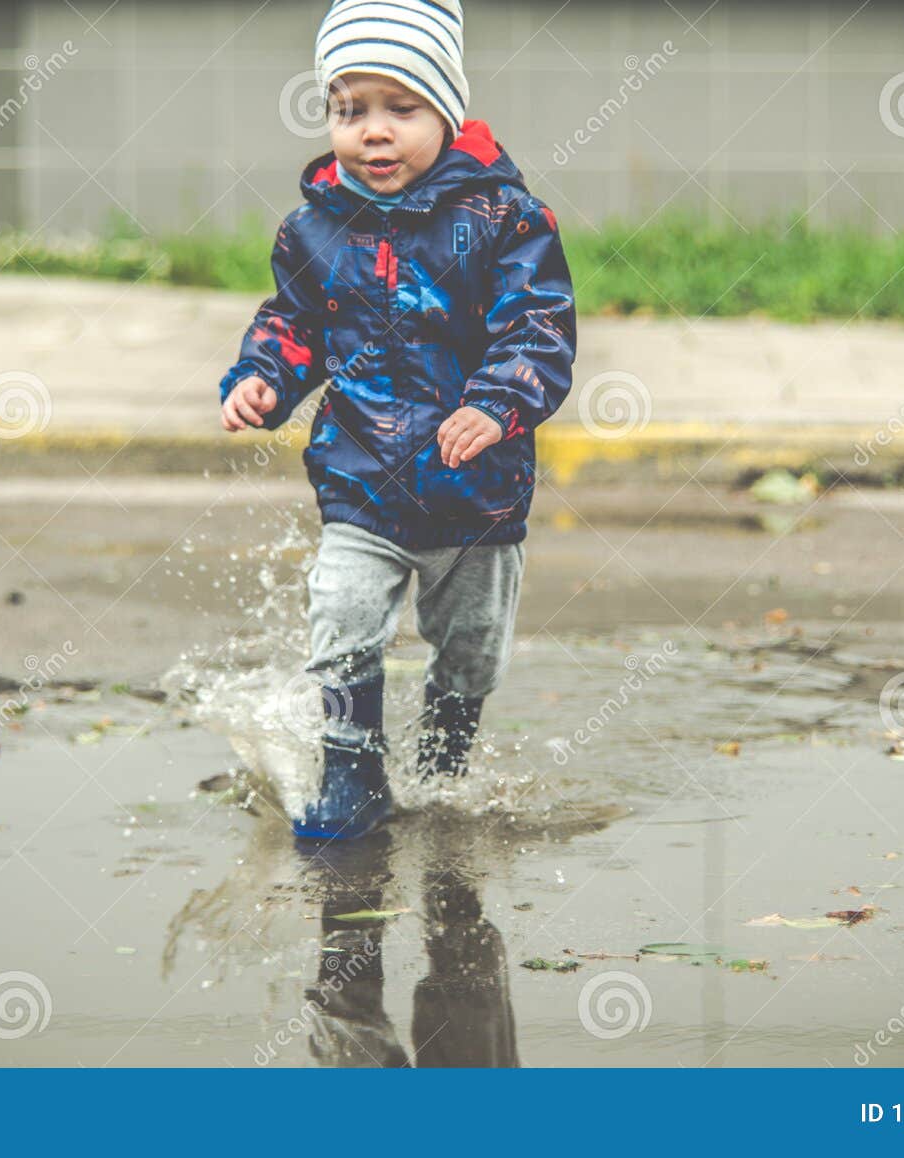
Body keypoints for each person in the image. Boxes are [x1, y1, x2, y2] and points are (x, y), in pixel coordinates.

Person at [218, 0, 577, 839]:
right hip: (361, 479)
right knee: (341, 614)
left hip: (475, 490)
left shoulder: (502, 218)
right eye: (349, 109)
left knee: (471, 646)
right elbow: (295, 322)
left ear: (446, 113)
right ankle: (352, 775)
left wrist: (495, 403)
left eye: (401, 108)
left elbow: (538, 327)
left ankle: (444, 766)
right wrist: (263, 376)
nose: (373, 131)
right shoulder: (315, 227)